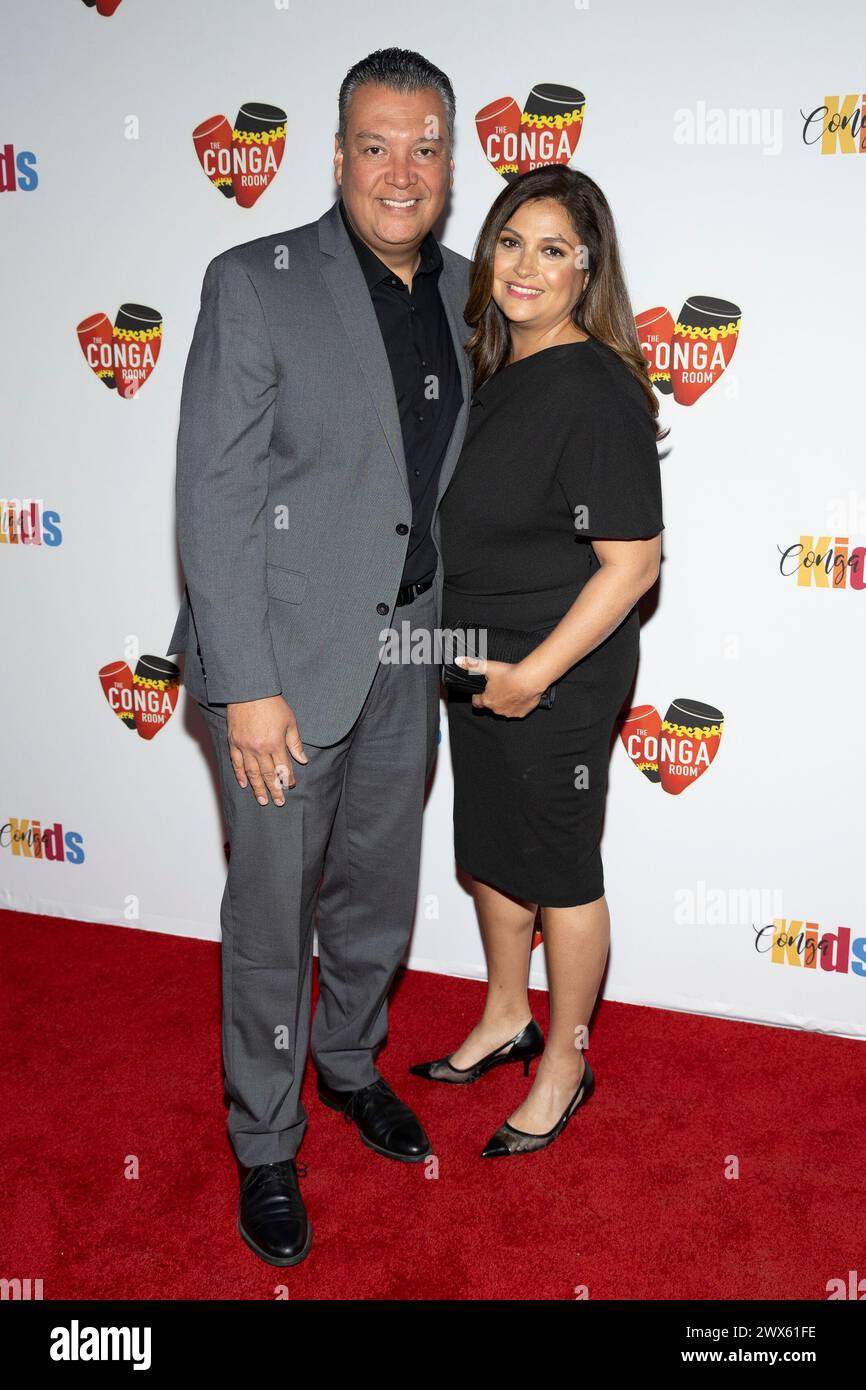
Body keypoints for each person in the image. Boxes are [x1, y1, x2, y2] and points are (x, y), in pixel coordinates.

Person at [167, 48, 472, 1264]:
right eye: (375, 143)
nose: (400, 170)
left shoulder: (468, 290)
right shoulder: (256, 281)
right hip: (282, 664)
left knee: (374, 897)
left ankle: (347, 1065)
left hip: (410, 645)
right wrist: (243, 684)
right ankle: (264, 1138)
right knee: (272, 907)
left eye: (425, 145)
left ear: (450, 160)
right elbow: (214, 495)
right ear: (335, 153)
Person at [411, 165, 666, 1157]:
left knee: (557, 867)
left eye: (552, 248)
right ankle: (505, 1013)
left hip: (552, 667)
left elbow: (631, 562)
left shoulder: (593, 385)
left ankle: (563, 1057)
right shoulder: (494, 372)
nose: (523, 265)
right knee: (492, 849)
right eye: (509, 240)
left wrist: (534, 674)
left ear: (585, 269)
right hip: (474, 655)